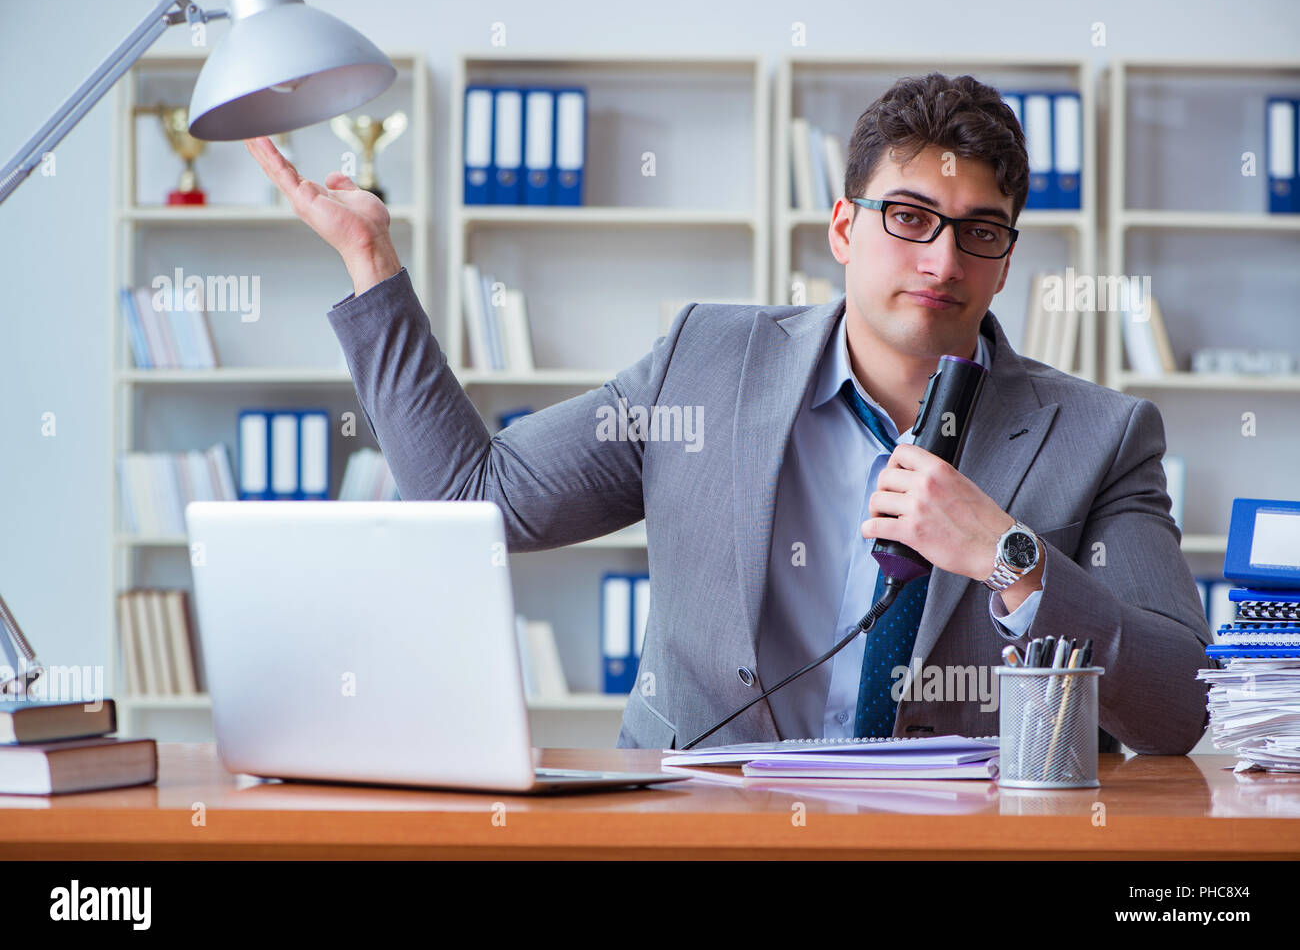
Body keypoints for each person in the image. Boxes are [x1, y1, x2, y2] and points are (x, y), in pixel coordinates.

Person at [244, 71, 1212, 754]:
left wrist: (1012, 558)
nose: (940, 260)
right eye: (908, 217)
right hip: (699, 826)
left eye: (978, 232)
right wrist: (370, 265)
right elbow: (470, 494)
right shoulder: (703, 364)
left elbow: (1175, 713)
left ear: (1004, 259)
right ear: (843, 227)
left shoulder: (1100, 435)